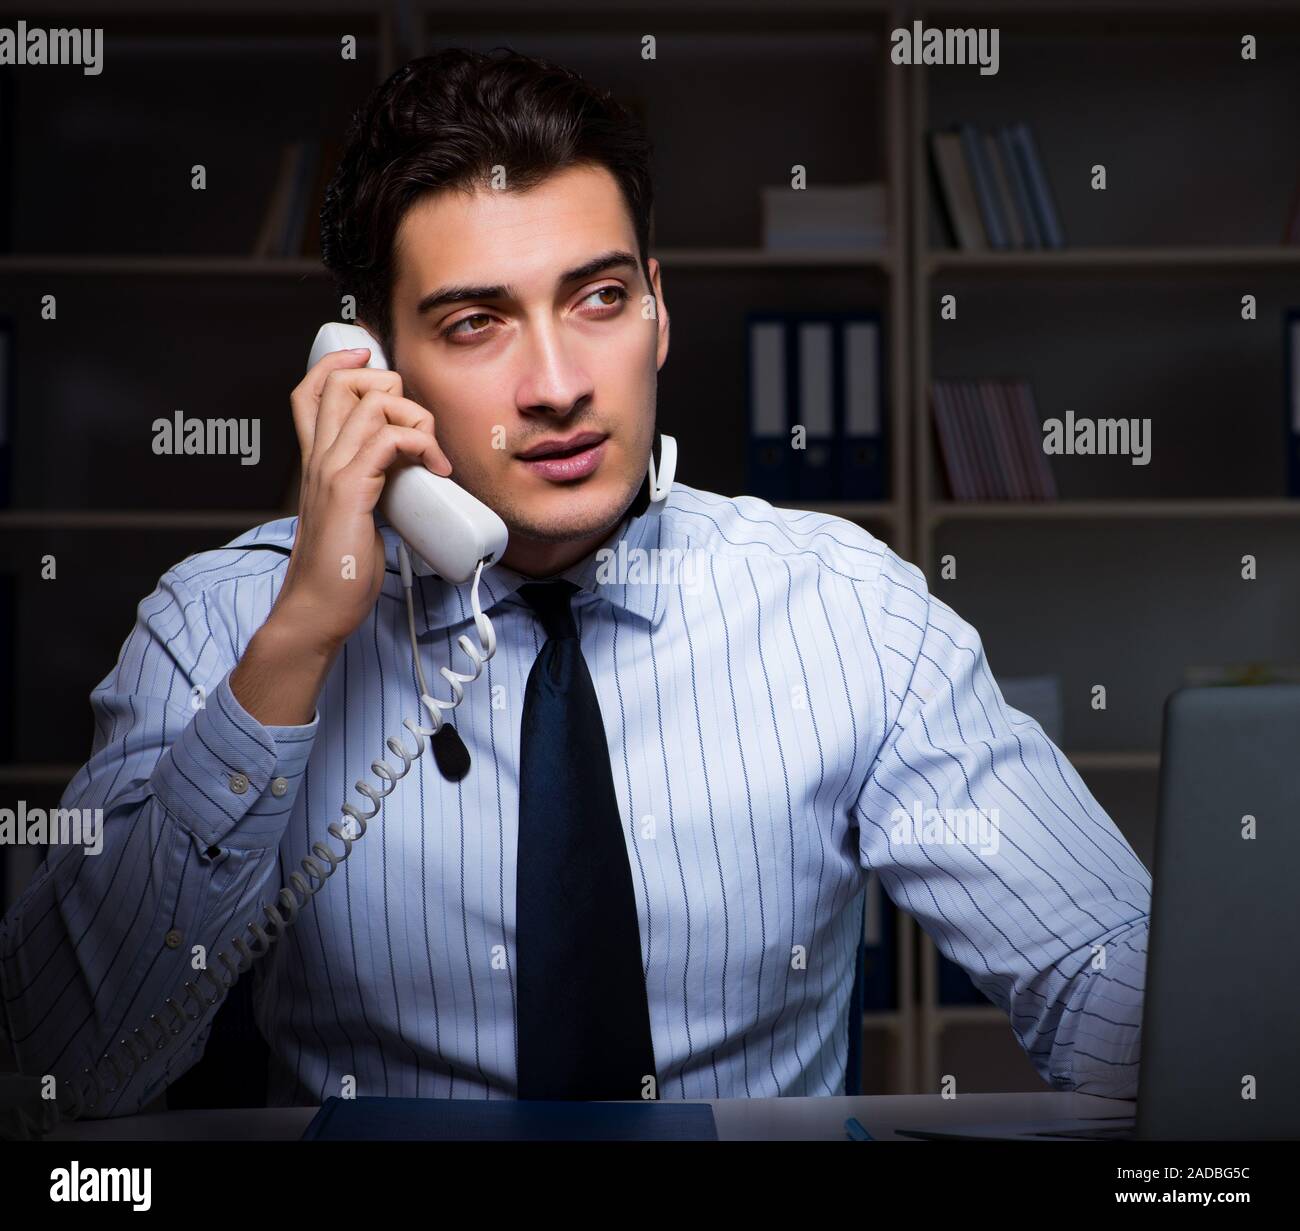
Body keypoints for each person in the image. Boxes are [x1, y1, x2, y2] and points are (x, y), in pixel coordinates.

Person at [0, 48, 1148, 1117]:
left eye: (597, 299)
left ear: (655, 308)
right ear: (369, 368)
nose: (556, 384)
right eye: (475, 322)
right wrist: (302, 638)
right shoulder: (225, 622)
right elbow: (68, 1068)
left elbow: (1122, 995)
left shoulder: (850, 613)